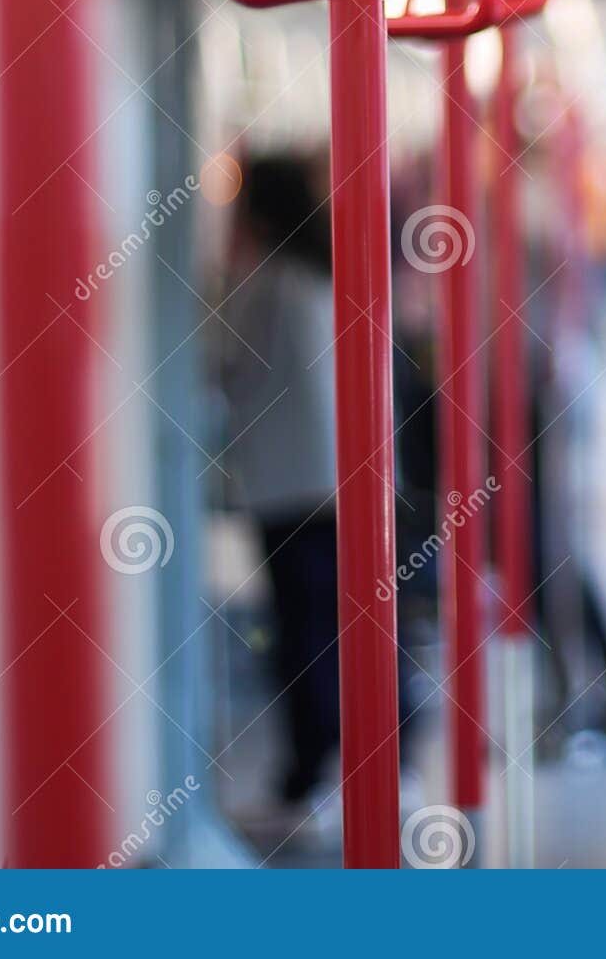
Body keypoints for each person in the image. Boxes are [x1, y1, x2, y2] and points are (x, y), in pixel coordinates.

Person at [217, 154, 343, 837]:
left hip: (291, 487)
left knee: (302, 635)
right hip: (324, 482)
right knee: (323, 629)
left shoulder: (269, 286)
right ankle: (335, 768)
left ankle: (307, 778)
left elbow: (229, 366)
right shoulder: (317, 275)